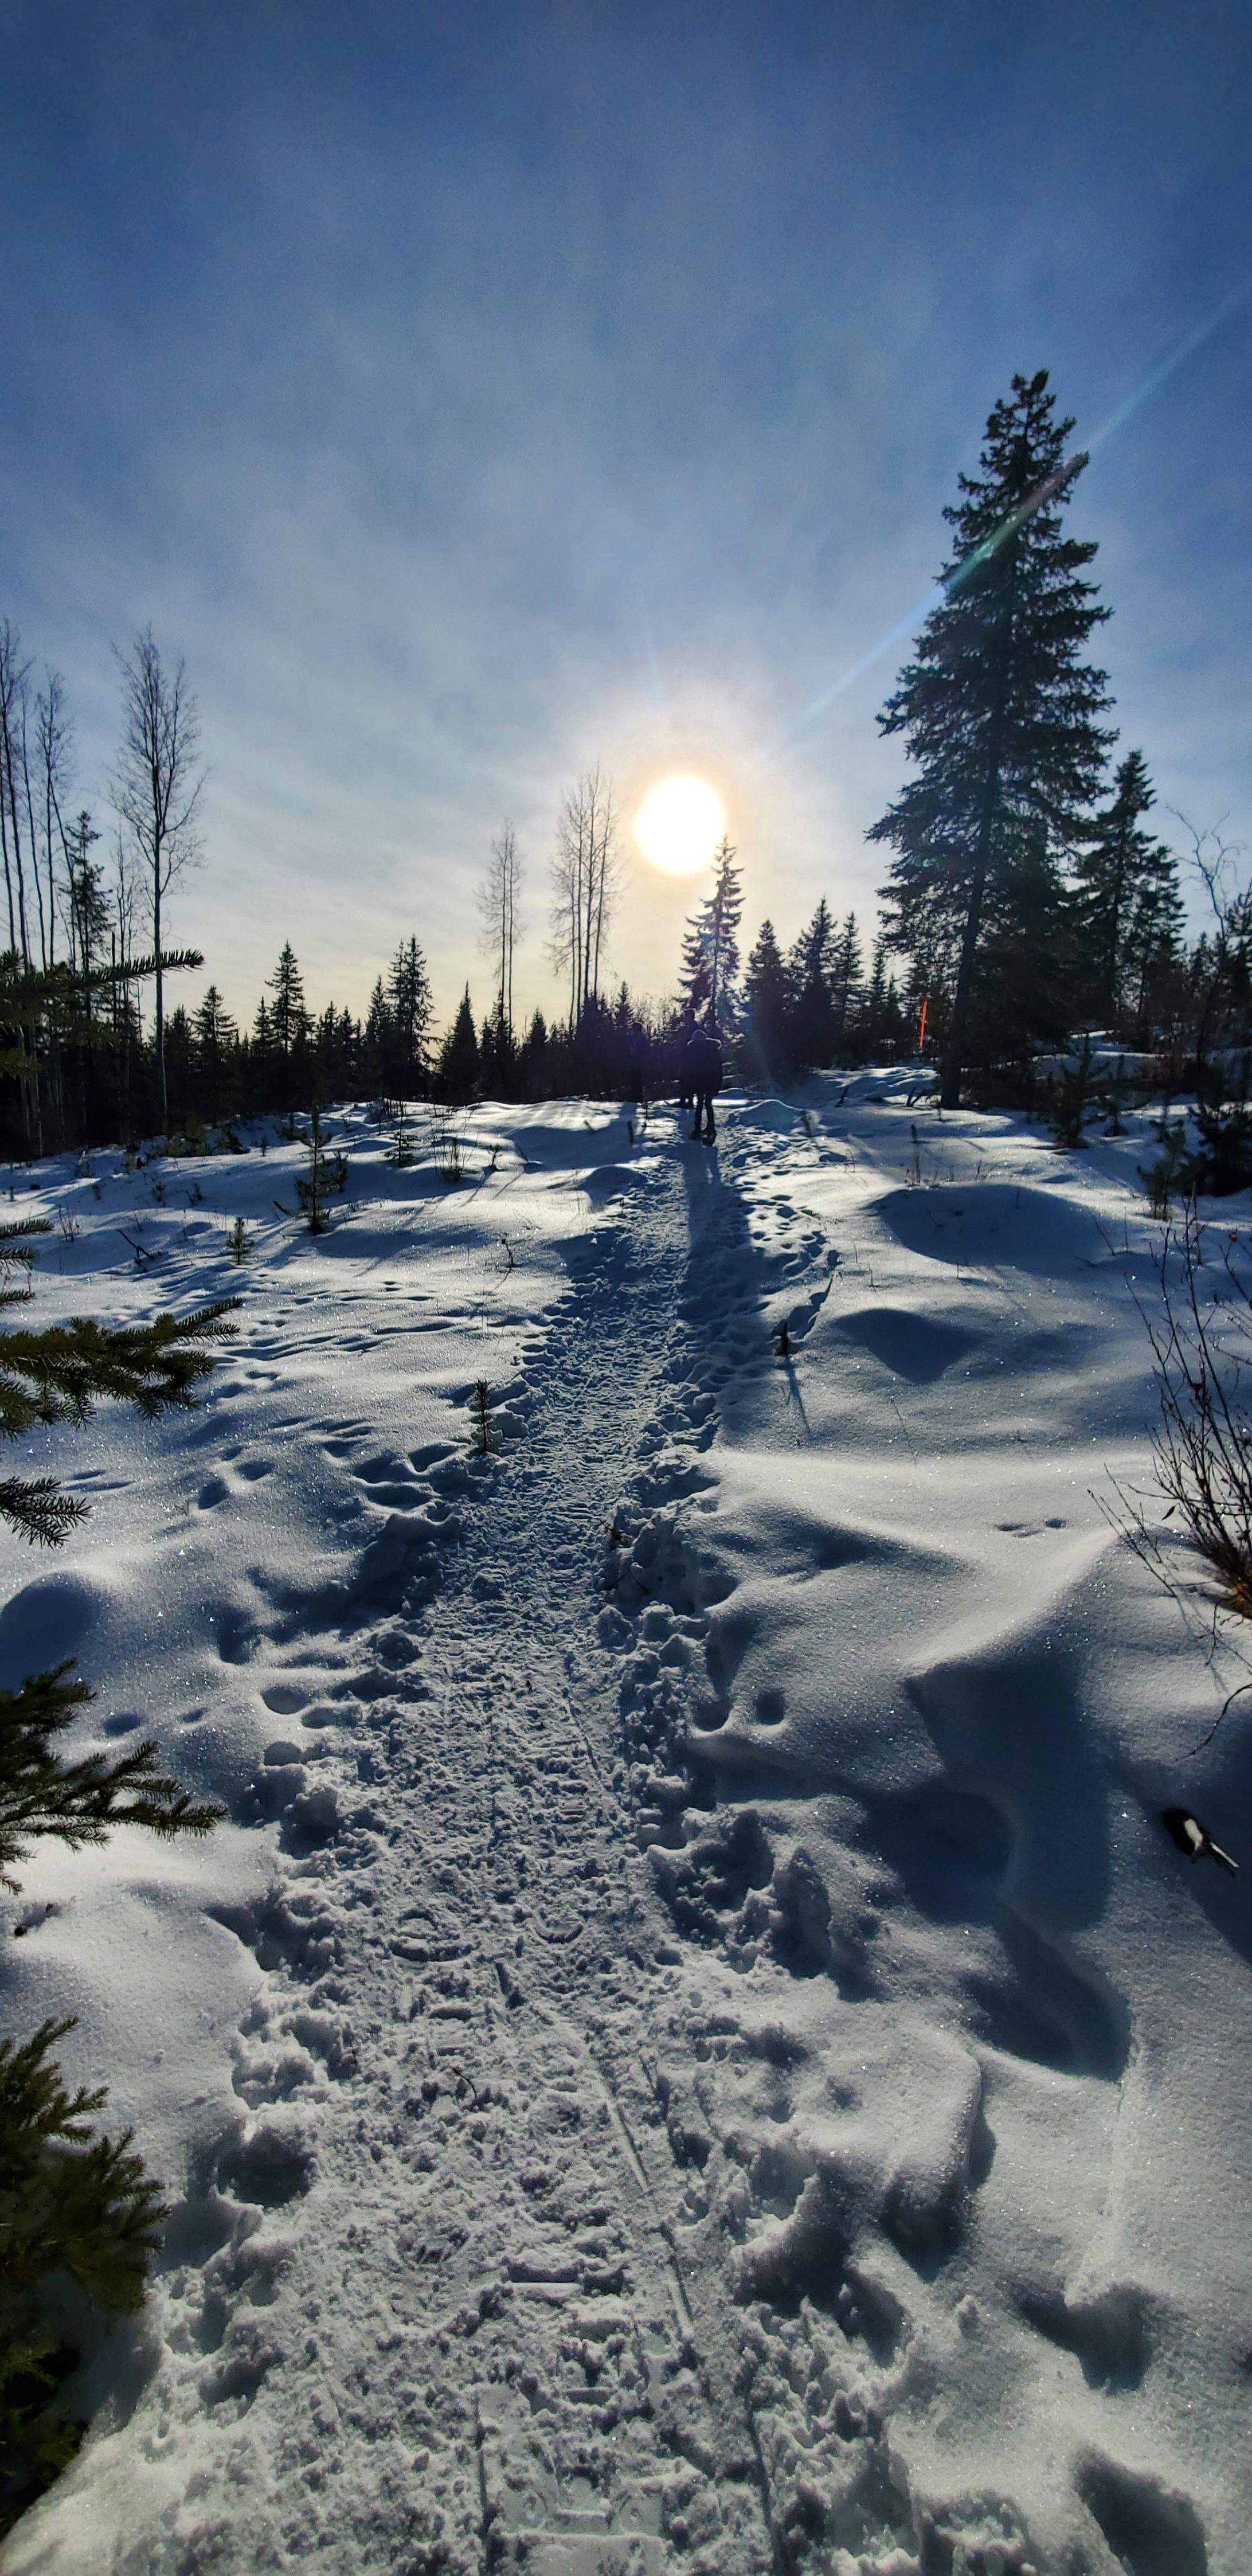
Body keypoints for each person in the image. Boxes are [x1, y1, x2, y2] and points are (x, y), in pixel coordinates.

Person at [682, 1021, 723, 1142]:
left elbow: (689, 1069)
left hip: (699, 1082)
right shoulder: (713, 1050)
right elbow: (719, 1067)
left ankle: (698, 1129)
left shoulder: (693, 1052)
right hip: (711, 1081)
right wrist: (718, 1083)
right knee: (708, 1104)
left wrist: (688, 1085)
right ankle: (711, 1127)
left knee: (700, 1104)